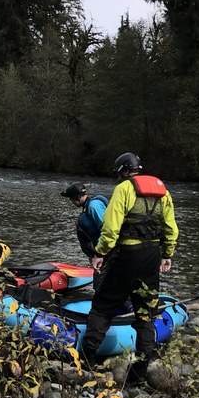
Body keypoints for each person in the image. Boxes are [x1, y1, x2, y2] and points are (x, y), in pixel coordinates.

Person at [81, 152, 177, 385]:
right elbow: (171, 228)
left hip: (126, 257)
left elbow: (111, 228)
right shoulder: (162, 192)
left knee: (103, 306)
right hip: (151, 257)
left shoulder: (124, 189)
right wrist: (167, 254)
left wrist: (100, 253)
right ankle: (140, 370)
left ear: (124, 171)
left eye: (118, 174)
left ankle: (87, 359)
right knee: (146, 312)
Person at [60, 182, 109, 262]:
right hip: (99, 252)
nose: (72, 202)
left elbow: (106, 229)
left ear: (78, 197)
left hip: (105, 253)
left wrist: (101, 254)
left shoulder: (94, 206)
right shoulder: (87, 206)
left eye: (71, 199)